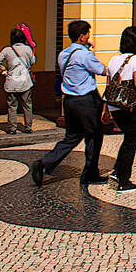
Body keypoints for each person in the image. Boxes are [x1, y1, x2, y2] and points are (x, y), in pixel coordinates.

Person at [31, 20, 107, 187]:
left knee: (72, 137)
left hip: (69, 101)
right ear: (81, 36)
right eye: (87, 34)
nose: (89, 36)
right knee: (94, 136)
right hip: (85, 101)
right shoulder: (84, 54)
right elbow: (101, 70)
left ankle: (44, 163)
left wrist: (86, 48)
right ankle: (90, 173)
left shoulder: (64, 54)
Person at [103, 26, 136, 191]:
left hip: (115, 106)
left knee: (127, 139)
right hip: (130, 106)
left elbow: (110, 85)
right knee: (131, 142)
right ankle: (124, 180)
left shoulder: (114, 59)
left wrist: (106, 111)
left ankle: (117, 170)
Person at [0, 27, 37, 134]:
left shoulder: (7, 50)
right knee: (27, 105)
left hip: (11, 82)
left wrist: (3, 68)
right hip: (25, 81)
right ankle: (28, 127)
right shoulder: (28, 49)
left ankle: (12, 128)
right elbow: (32, 62)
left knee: (12, 106)